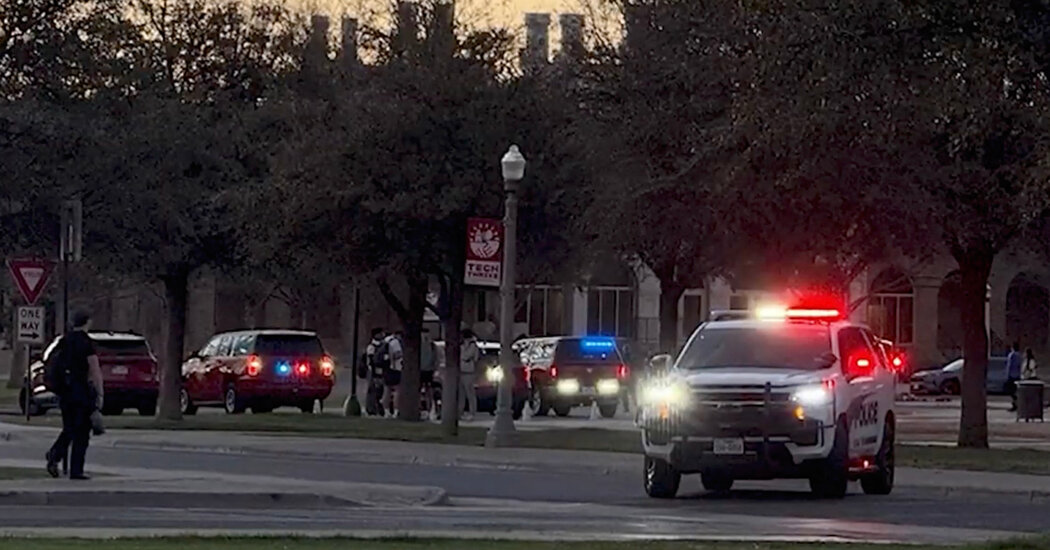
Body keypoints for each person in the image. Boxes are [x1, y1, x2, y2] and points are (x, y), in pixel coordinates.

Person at [45, 311, 103, 480]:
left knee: (69, 427)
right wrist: (100, 393)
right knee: (83, 431)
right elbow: (94, 369)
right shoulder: (86, 343)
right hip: (81, 391)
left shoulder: (64, 340)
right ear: (87, 322)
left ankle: (55, 455)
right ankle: (76, 469)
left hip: (65, 391)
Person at [364, 328, 387, 417]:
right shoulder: (371, 347)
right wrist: (374, 372)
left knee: (380, 391)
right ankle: (371, 409)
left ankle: (378, 408)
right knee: (373, 390)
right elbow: (371, 361)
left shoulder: (383, 345)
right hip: (373, 371)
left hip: (380, 371)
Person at [382, 331, 404, 418]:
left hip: (387, 369)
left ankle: (386, 411)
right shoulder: (395, 343)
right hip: (395, 368)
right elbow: (397, 354)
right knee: (397, 390)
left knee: (387, 390)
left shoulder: (386, 341)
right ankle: (395, 411)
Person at [459, 329, 479, 420]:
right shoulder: (461, 345)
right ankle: (460, 411)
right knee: (461, 393)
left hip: (469, 372)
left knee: (470, 393)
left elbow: (469, 356)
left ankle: (472, 412)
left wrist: (463, 356)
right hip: (460, 371)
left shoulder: (473, 345)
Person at [420, 328, 437, 420]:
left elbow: (436, 358)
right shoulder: (418, 345)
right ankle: (421, 409)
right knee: (419, 391)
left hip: (429, 370)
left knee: (429, 390)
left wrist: (435, 368)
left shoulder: (432, 345)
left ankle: (430, 409)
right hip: (420, 370)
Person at [1007, 342, 1022, 411]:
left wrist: (1007, 374)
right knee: (1016, 391)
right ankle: (1016, 403)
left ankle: (1015, 404)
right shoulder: (1019, 355)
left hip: (1012, 375)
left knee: (1011, 391)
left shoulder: (1012, 355)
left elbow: (1009, 365)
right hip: (1018, 375)